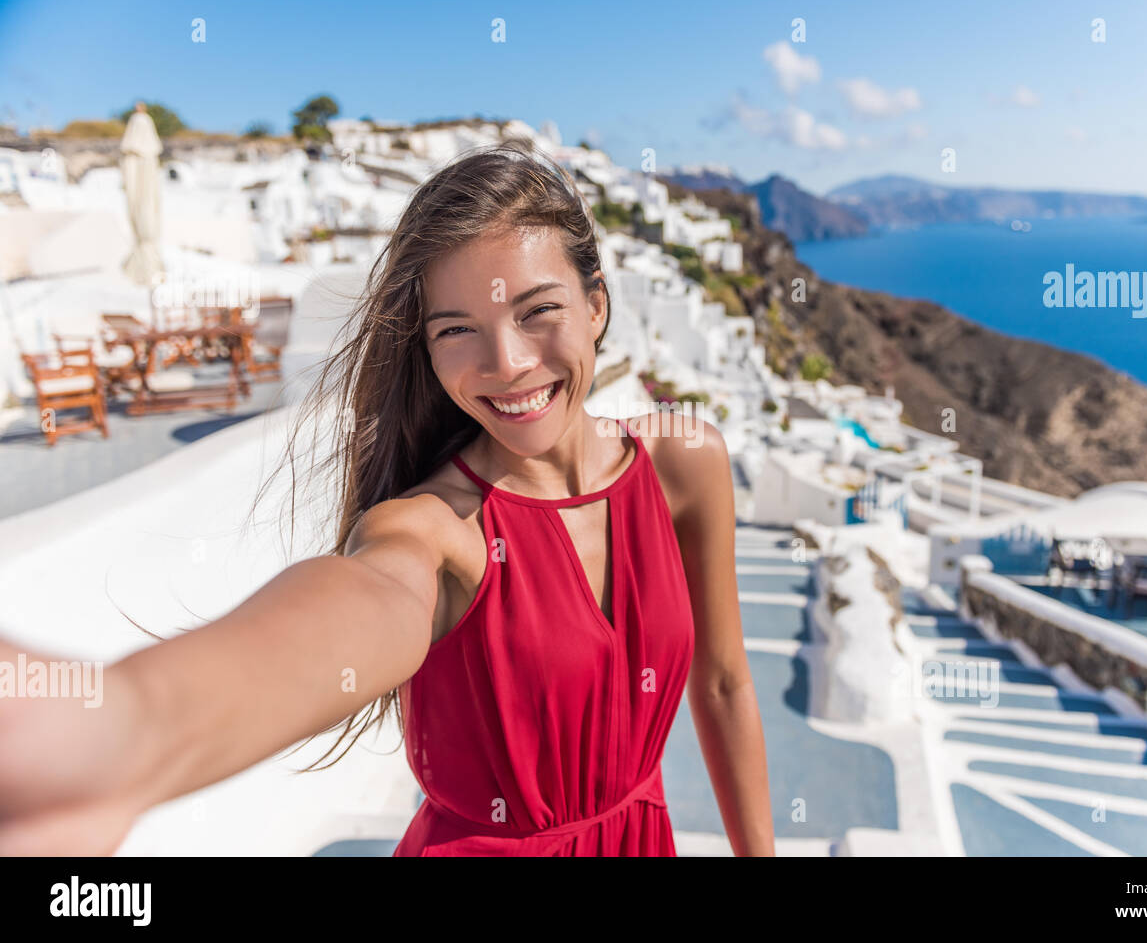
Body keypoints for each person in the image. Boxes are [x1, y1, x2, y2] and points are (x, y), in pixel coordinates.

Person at [0, 141, 775, 856]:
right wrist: (131, 726)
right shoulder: (430, 529)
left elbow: (723, 682)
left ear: (596, 303)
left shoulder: (684, 461)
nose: (506, 362)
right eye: (457, 330)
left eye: (538, 310)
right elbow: (365, 600)